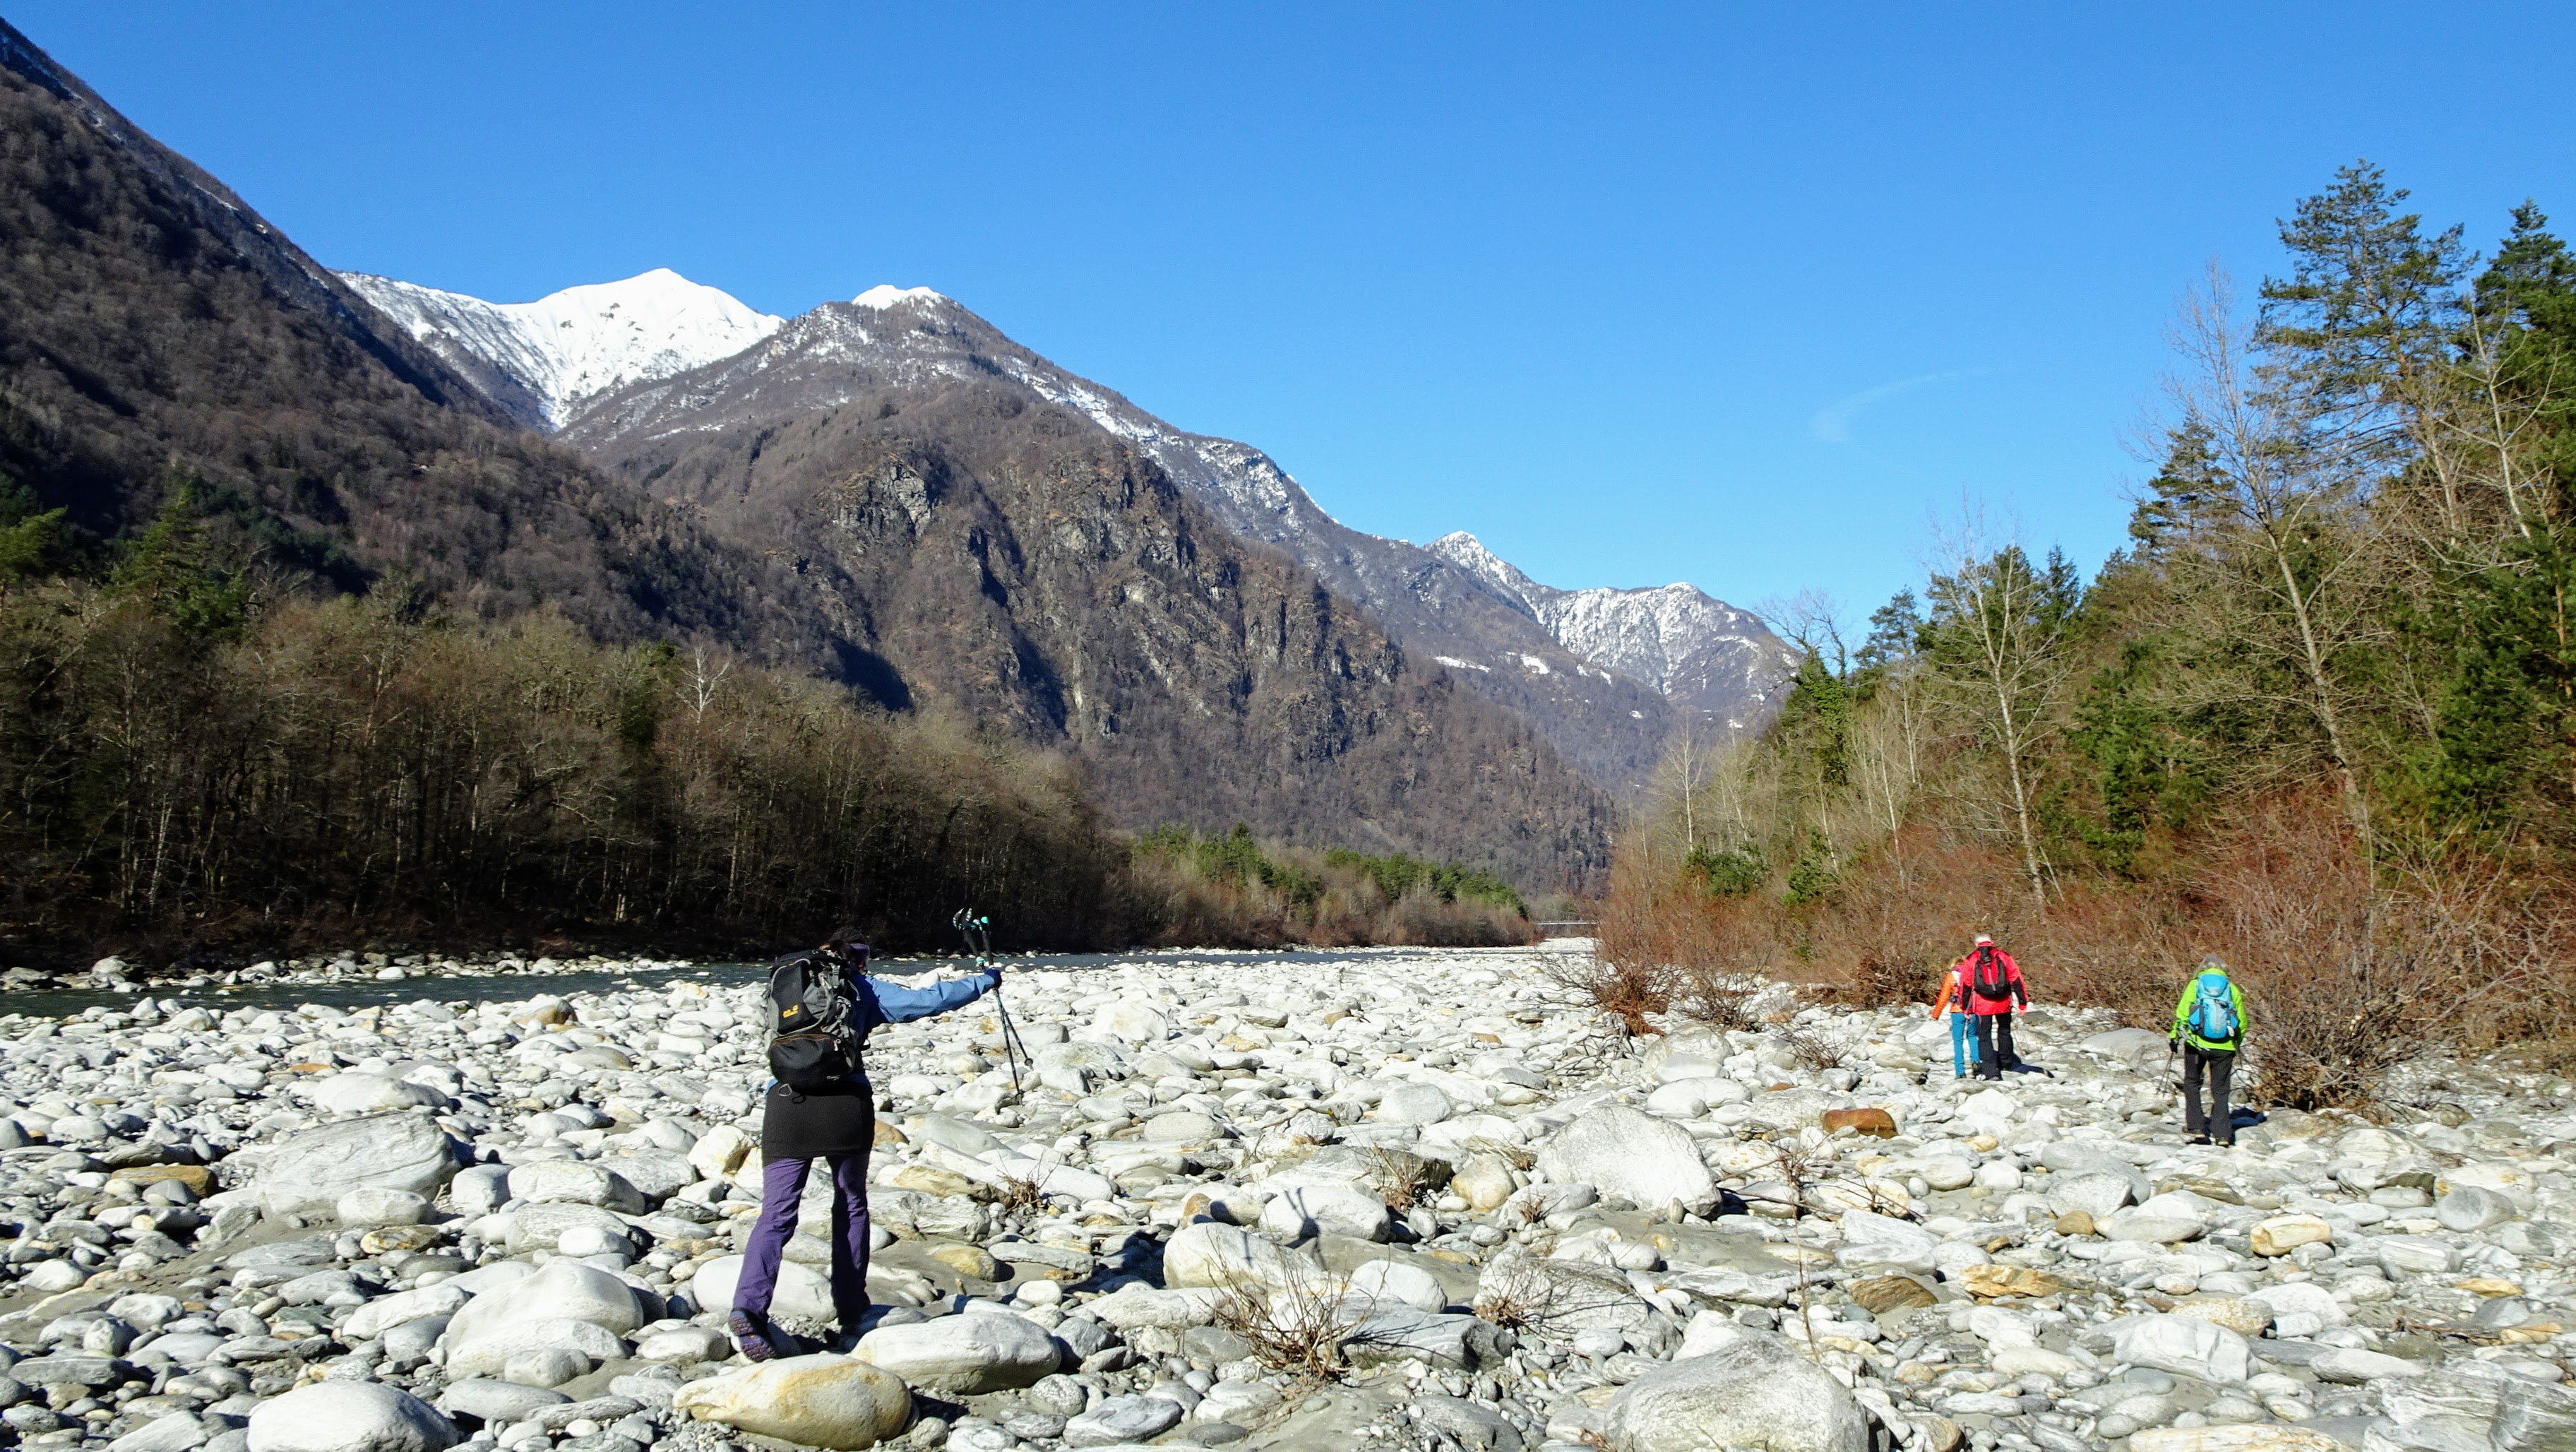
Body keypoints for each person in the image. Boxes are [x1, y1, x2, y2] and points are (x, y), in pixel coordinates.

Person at [729, 927, 1001, 1362]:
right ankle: (851, 1308)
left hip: (785, 1105)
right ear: (858, 956)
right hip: (844, 1103)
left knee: (776, 1214)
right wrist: (984, 982)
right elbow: (926, 1001)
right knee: (850, 1204)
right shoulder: (859, 986)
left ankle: (749, 1308)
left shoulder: (784, 983)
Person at [2170, 954, 2248, 1147]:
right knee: (2221, 1091)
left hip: (2196, 1044)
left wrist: (2174, 1036)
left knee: (2192, 1083)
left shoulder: (2195, 985)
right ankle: (2222, 1135)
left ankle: (2196, 1128)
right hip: (2225, 1047)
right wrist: (2236, 1042)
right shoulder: (2232, 989)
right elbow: (2243, 1021)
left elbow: (2182, 1014)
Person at [1956, 933, 2027, 1081]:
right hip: (2003, 1001)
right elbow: (2016, 979)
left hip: (1983, 1004)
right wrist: (2022, 1002)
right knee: (2004, 1031)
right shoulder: (2003, 956)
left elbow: (1965, 985)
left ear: (1976, 944)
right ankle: (2007, 1063)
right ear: (1992, 942)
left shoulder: (1971, 959)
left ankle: (1991, 1071)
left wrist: (1965, 1008)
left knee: (1984, 1036)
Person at [1928, 957, 1981, 1078]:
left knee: (1958, 1041)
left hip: (1957, 1011)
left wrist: (1936, 1014)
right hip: (1973, 1010)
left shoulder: (1951, 977)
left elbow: (1943, 997)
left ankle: (1960, 1071)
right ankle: (1976, 1061)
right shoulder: (1973, 974)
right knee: (1973, 1036)